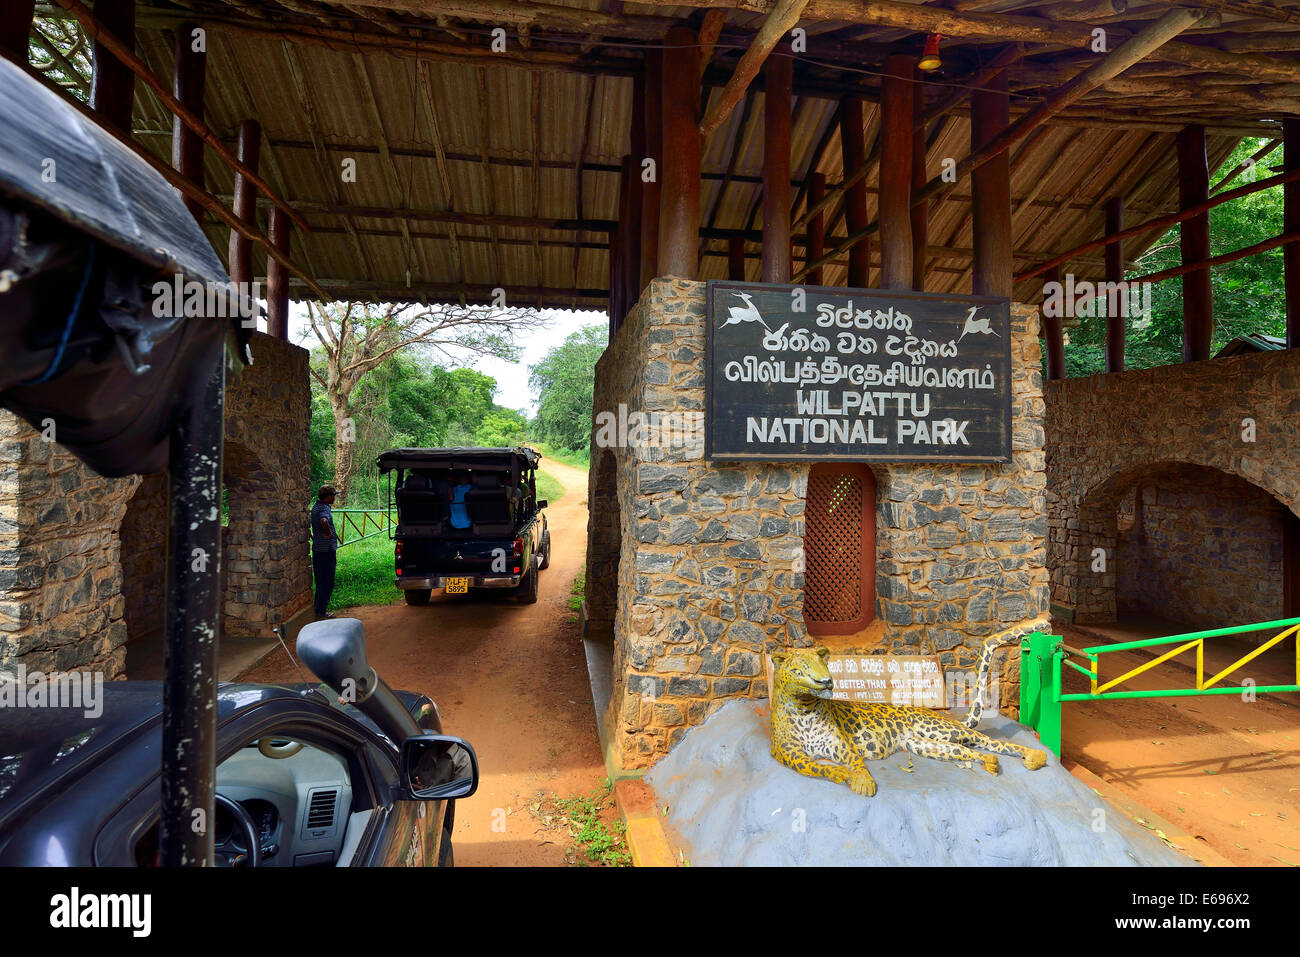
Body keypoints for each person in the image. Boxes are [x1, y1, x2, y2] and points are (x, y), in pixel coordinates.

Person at [311, 486, 338, 619]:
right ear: (328, 496)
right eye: (334, 495)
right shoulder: (323, 508)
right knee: (327, 582)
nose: (335, 497)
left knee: (321, 581)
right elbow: (323, 520)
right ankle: (321, 612)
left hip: (318, 550)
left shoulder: (316, 506)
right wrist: (328, 534)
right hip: (326, 551)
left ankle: (318, 610)